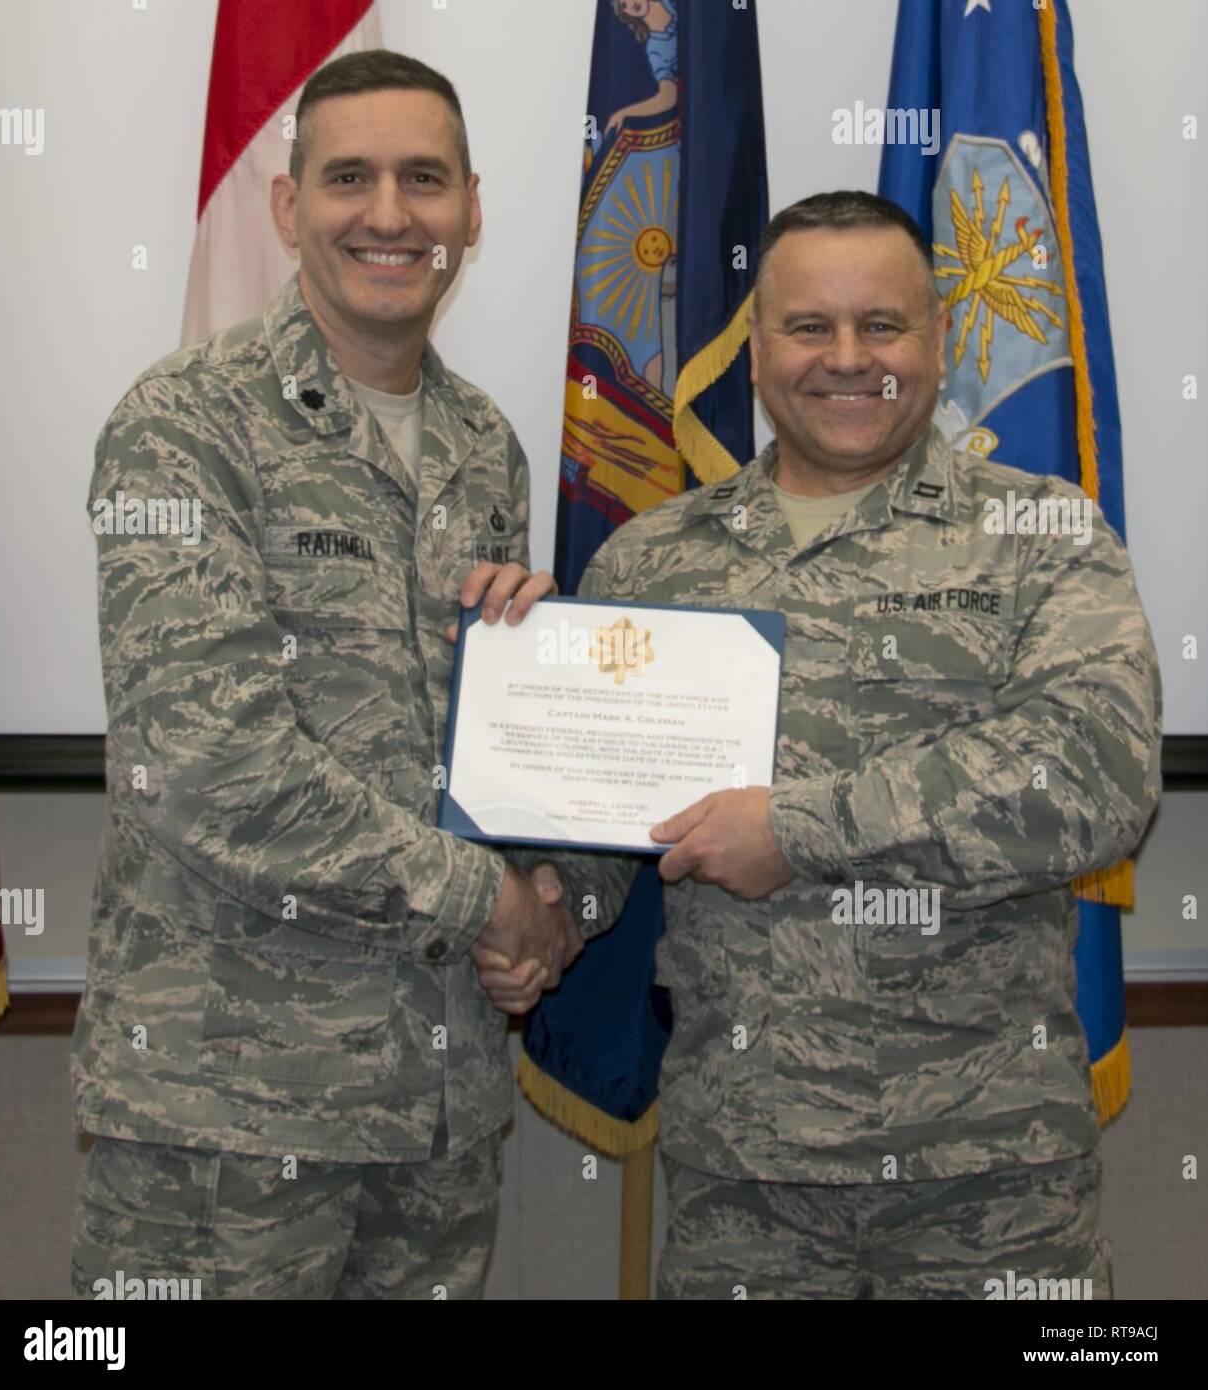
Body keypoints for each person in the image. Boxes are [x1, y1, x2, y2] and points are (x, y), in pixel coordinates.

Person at [486, 191, 1162, 1299]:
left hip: (991, 1186)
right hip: (739, 1180)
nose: (847, 359)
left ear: (937, 343)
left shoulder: (1044, 538)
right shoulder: (654, 565)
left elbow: (1095, 775)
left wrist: (798, 829)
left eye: (881, 325)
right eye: (807, 327)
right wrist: (545, 913)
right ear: (753, 351)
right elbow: (613, 826)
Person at [71, 49, 582, 1301]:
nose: (391, 214)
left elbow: (475, 751)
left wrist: (557, 894)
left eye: (424, 180)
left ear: (472, 207)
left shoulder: (485, 449)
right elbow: (212, 768)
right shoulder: (186, 422)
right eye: (349, 177)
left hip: (437, 1104)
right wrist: (486, 900)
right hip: (228, 1116)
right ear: (289, 207)